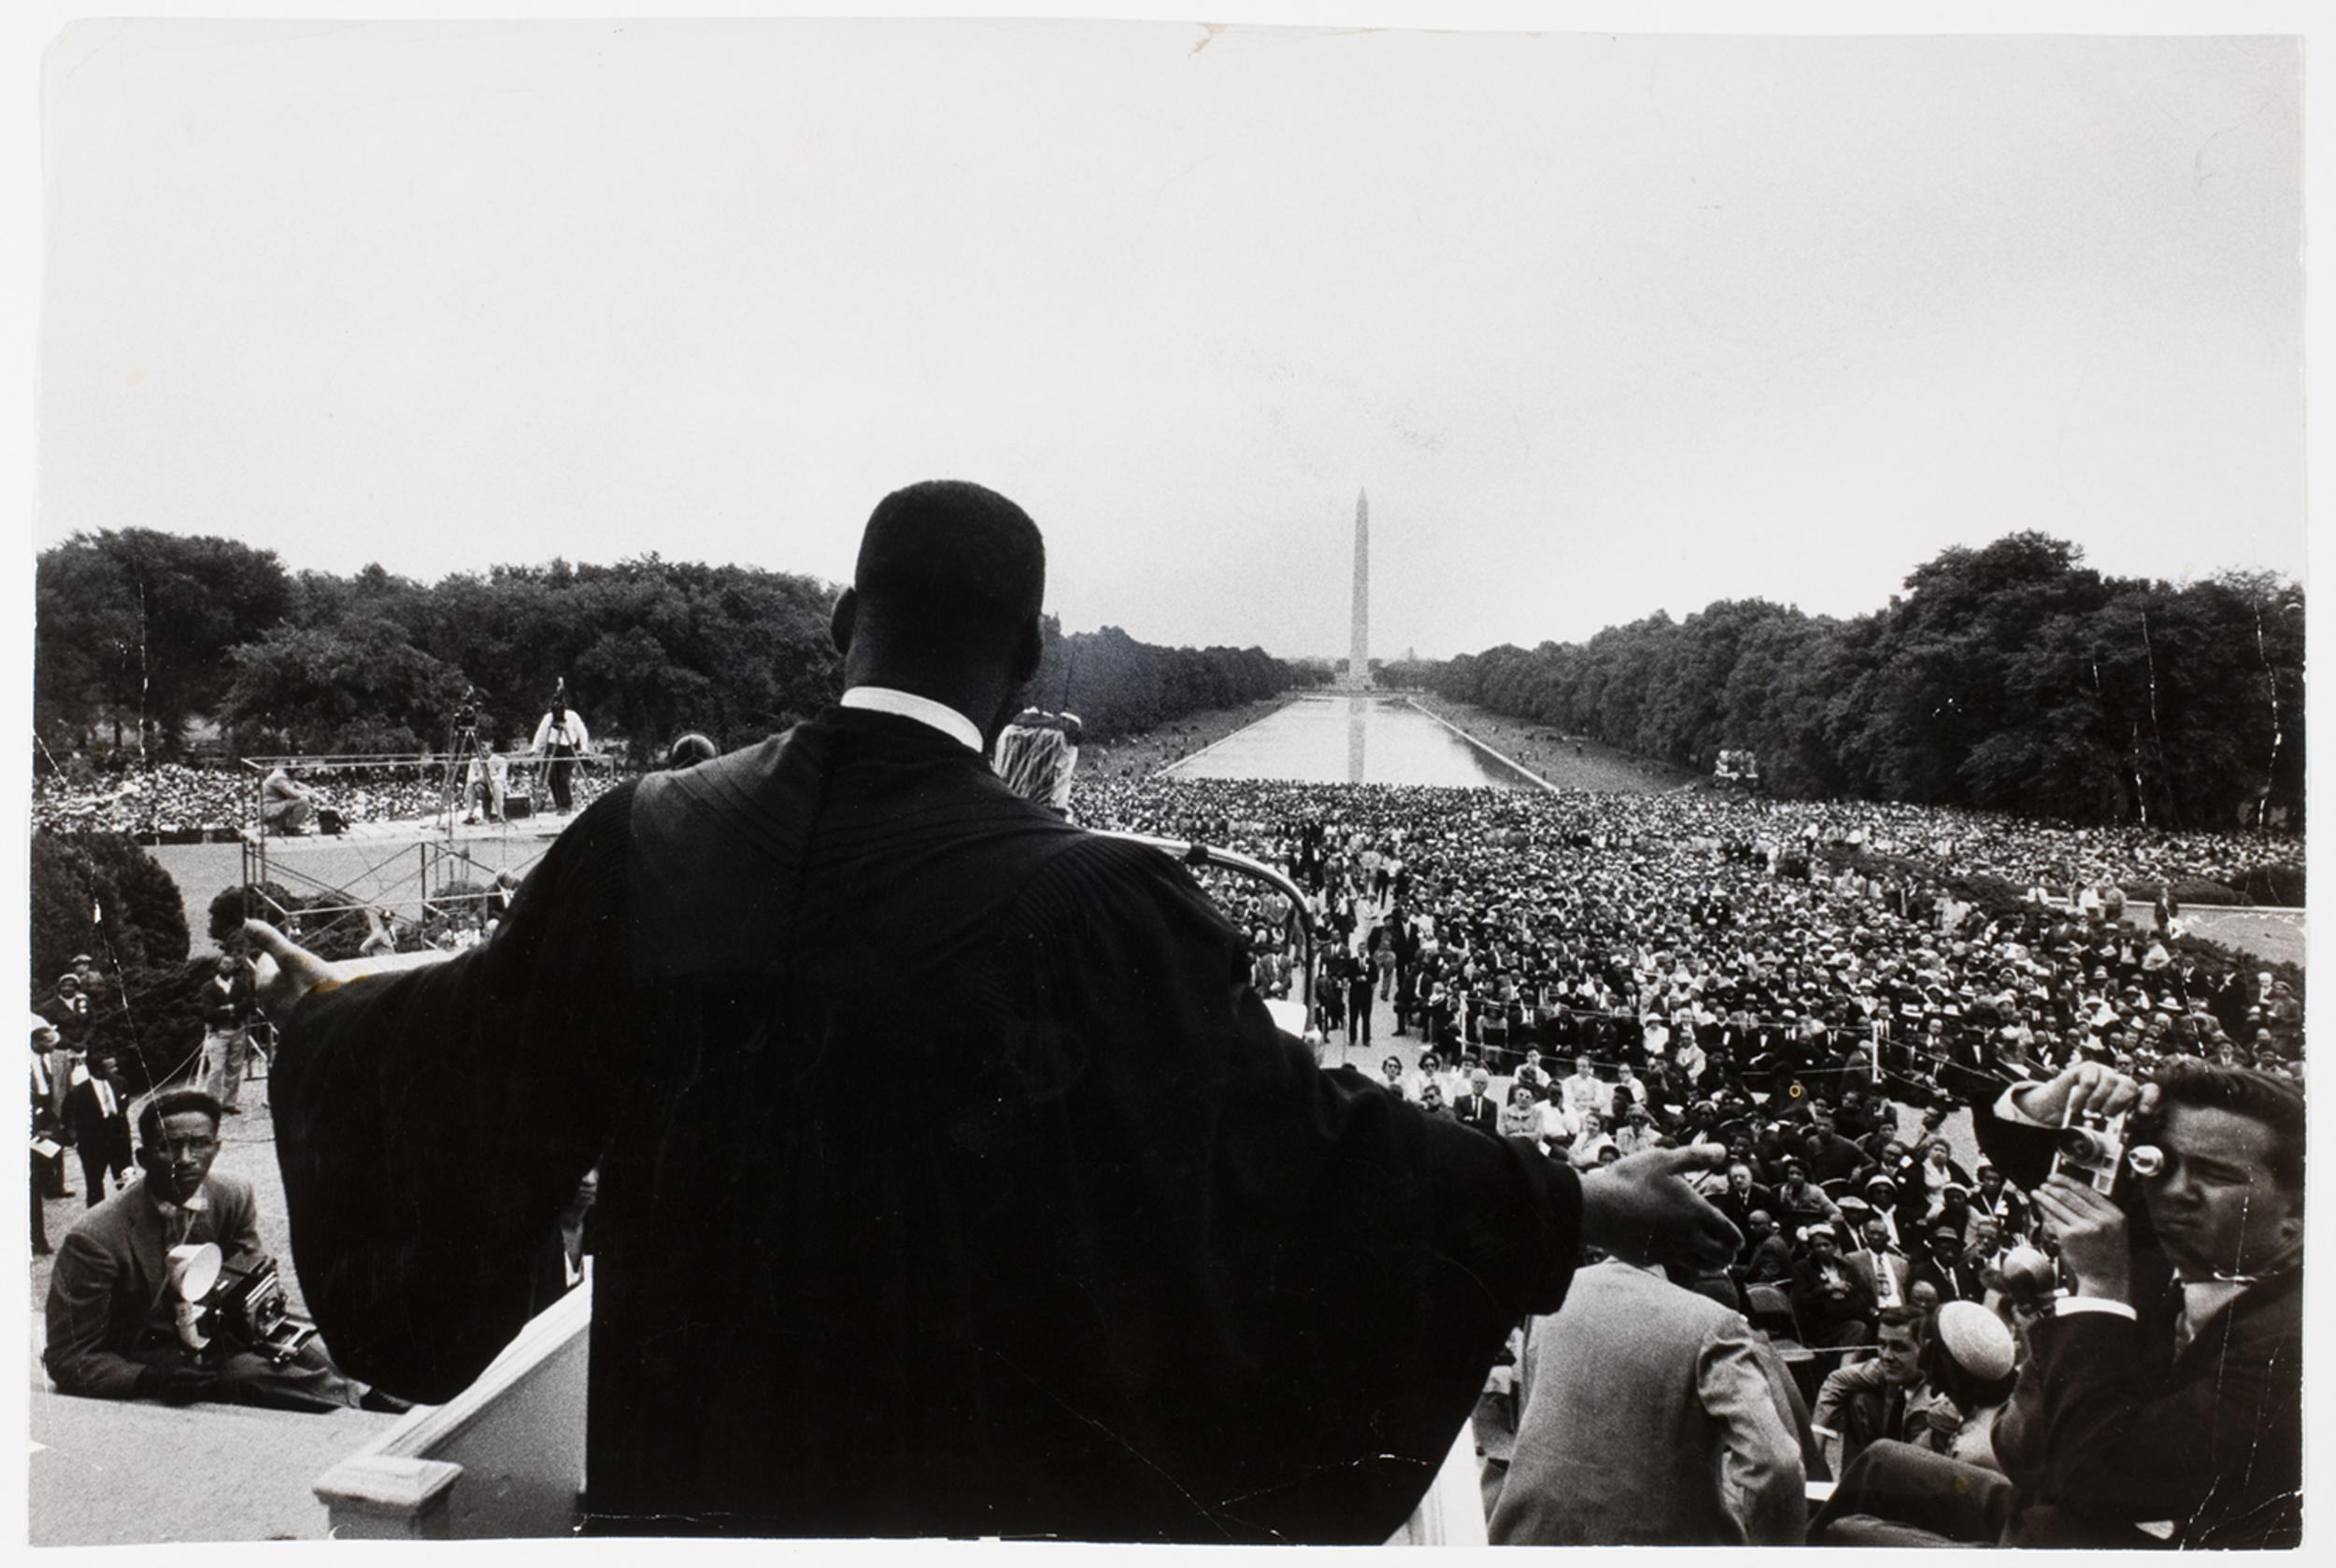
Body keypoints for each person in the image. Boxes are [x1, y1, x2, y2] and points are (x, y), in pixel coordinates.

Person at [246, 479, 1739, 1543]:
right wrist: (1578, 1198)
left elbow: (476, 1044)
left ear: (845, 623)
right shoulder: (1097, 904)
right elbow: (1307, 1147)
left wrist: (323, 1021)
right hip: (929, 1493)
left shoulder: (645, 834)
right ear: (1024, 663)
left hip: (672, 1475)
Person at [43, 1090, 378, 1412]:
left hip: (223, 1333)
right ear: (143, 1158)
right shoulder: (95, 1238)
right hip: (151, 1356)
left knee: (318, 1350)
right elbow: (67, 1356)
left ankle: (377, 1394)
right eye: (169, 1147)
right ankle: (366, 1408)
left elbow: (252, 1276)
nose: (186, 1160)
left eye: (200, 1144)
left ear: (216, 1148)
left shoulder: (232, 1195)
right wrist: (148, 1379)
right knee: (255, 1376)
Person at [1486, 1258, 1804, 1546]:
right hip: (1661, 1545)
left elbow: (1531, 1426)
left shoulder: (1549, 1299)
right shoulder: (1713, 1322)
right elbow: (1776, 1464)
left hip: (1533, 1542)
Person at [62, 1048, 134, 1208]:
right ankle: (96, 1219)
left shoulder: (120, 1082)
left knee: (126, 1179)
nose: (116, 1070)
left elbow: (124, 1104)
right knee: (94, 1184)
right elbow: (68, 1119)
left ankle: (130, 1213)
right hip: (93, 1143)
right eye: (111, 1067)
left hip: (118, 1137)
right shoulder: (77, 1093)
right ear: (97, 1070)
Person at [196, 953, 256, 1115]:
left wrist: (229, 1008)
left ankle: (229, 1102)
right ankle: (211, 1103)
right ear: (218, 965)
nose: (228, 966)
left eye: (231, 964)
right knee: (216, 1069)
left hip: (238, 1031)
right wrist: (235, 1008)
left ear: (234, 967)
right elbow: (208, 1013)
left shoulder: (241, 986)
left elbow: (250, 1005)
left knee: (234, 1069)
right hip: (218, 1033)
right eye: (225, 963)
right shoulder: (208, 988)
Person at [530, 687, 591, 815]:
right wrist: (535, 748)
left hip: (567, 746)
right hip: (551, 746)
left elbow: (582, 732)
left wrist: (584, 747)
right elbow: (541, 734)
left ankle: (566, 805)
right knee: (550, 776)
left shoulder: (572, 716)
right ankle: (557, 804)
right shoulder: (548, 718)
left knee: (564, 776)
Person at [260, 763, 317, 835]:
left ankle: (288, 826)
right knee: (303, 801)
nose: (301, 776)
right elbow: (293, 794)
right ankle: (292, 827)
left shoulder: (286, 776)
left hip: (276, 805)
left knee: (303, 798)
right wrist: (307, 793)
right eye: (300, 773)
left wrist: (313, 793)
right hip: (269, 808)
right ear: (293, 771)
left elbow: (299, 785)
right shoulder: (279, 778)